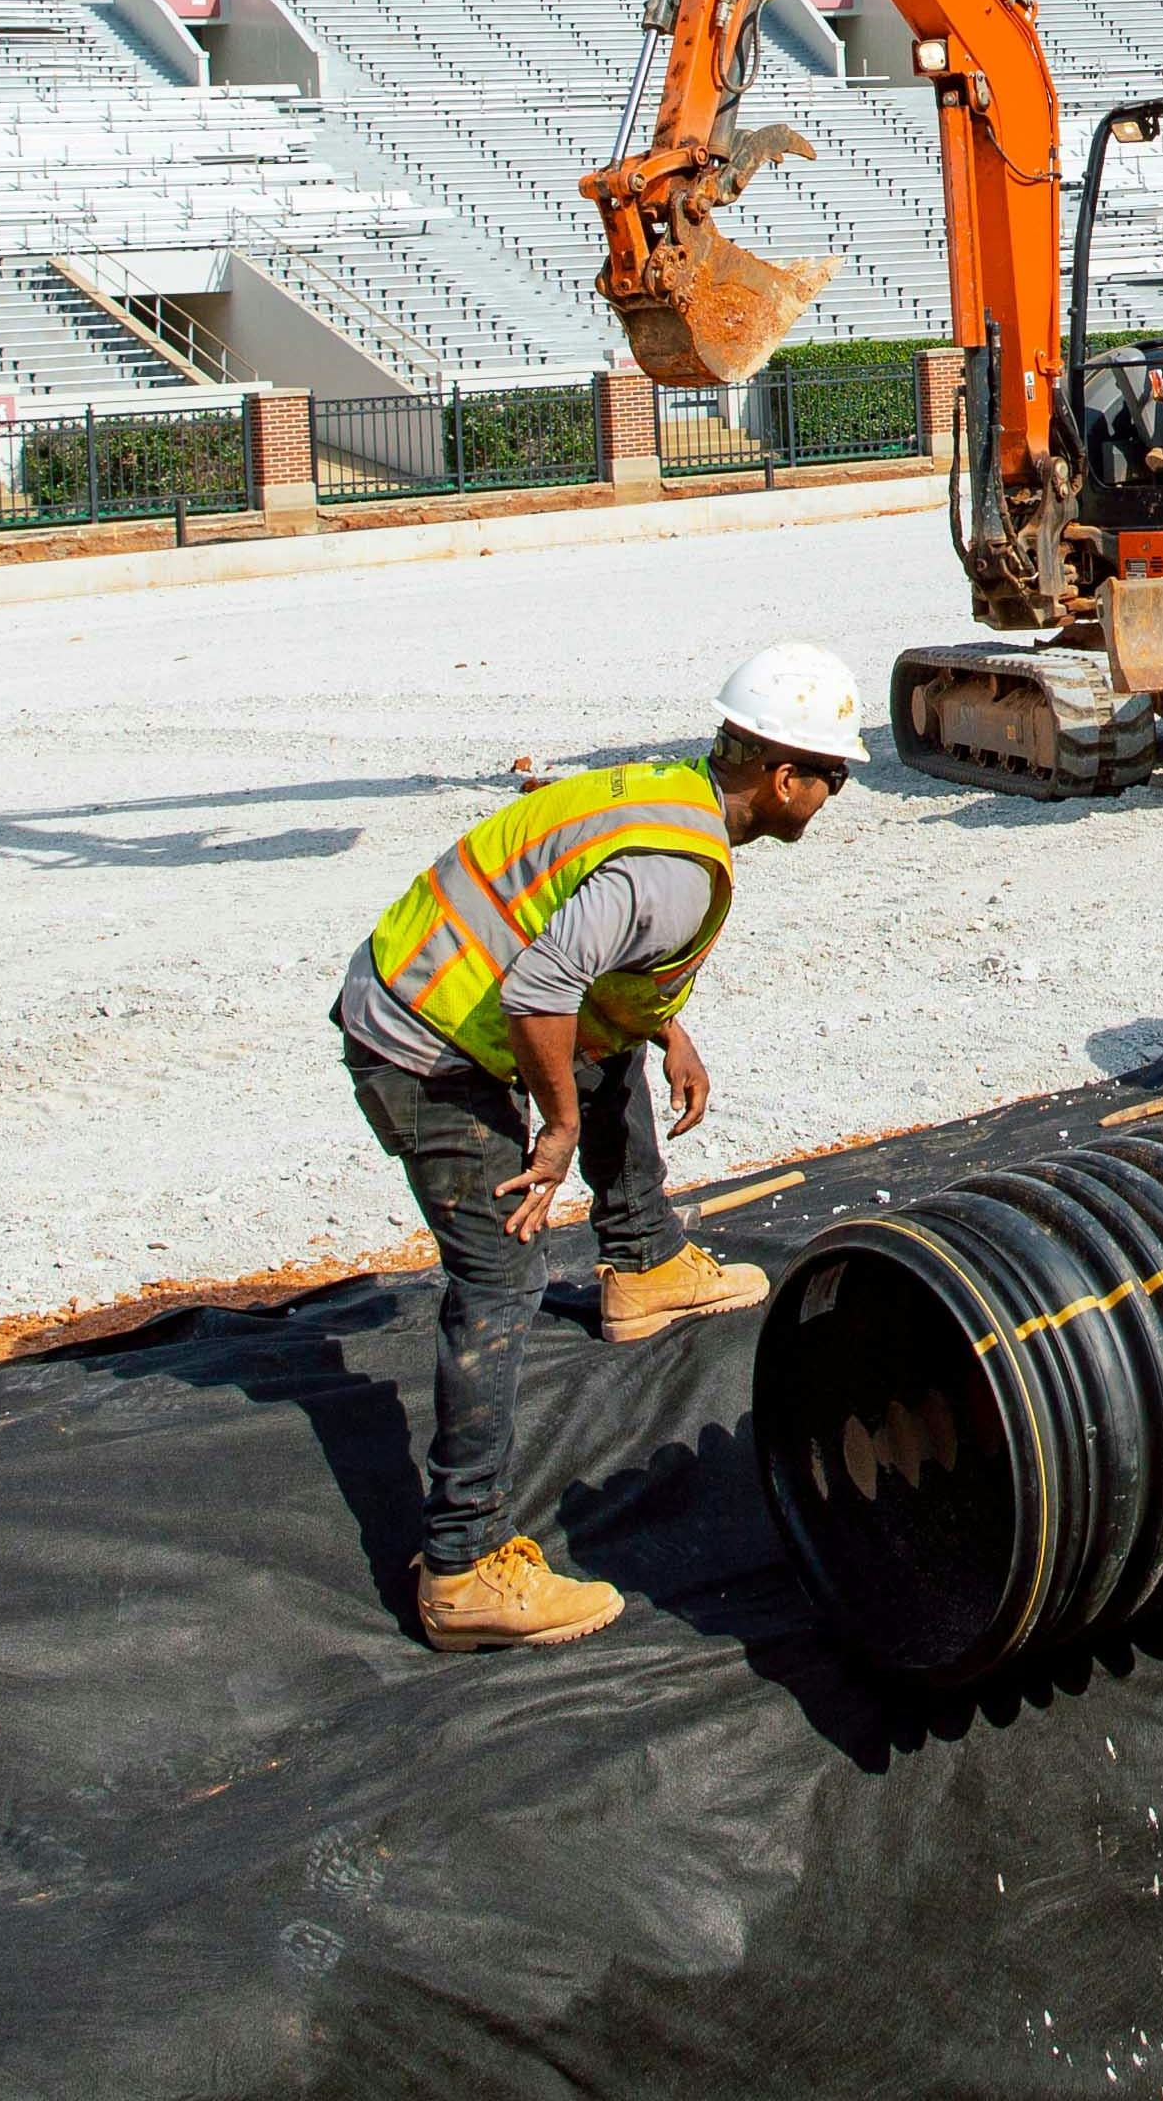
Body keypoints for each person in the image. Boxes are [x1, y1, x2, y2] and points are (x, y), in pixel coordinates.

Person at [331, 641, 868, 1652]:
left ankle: (643, 1262)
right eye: (831, 775)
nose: (833, 794)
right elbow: (540, 990)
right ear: (783, 776)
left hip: (424, 990)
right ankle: (462, 1568)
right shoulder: (679, 870)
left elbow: (594, 956)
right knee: (501, 1277)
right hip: (418, 1045)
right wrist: (558, 1128)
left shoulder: (670, 795)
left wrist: (665, 1026)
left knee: (607, 1044)